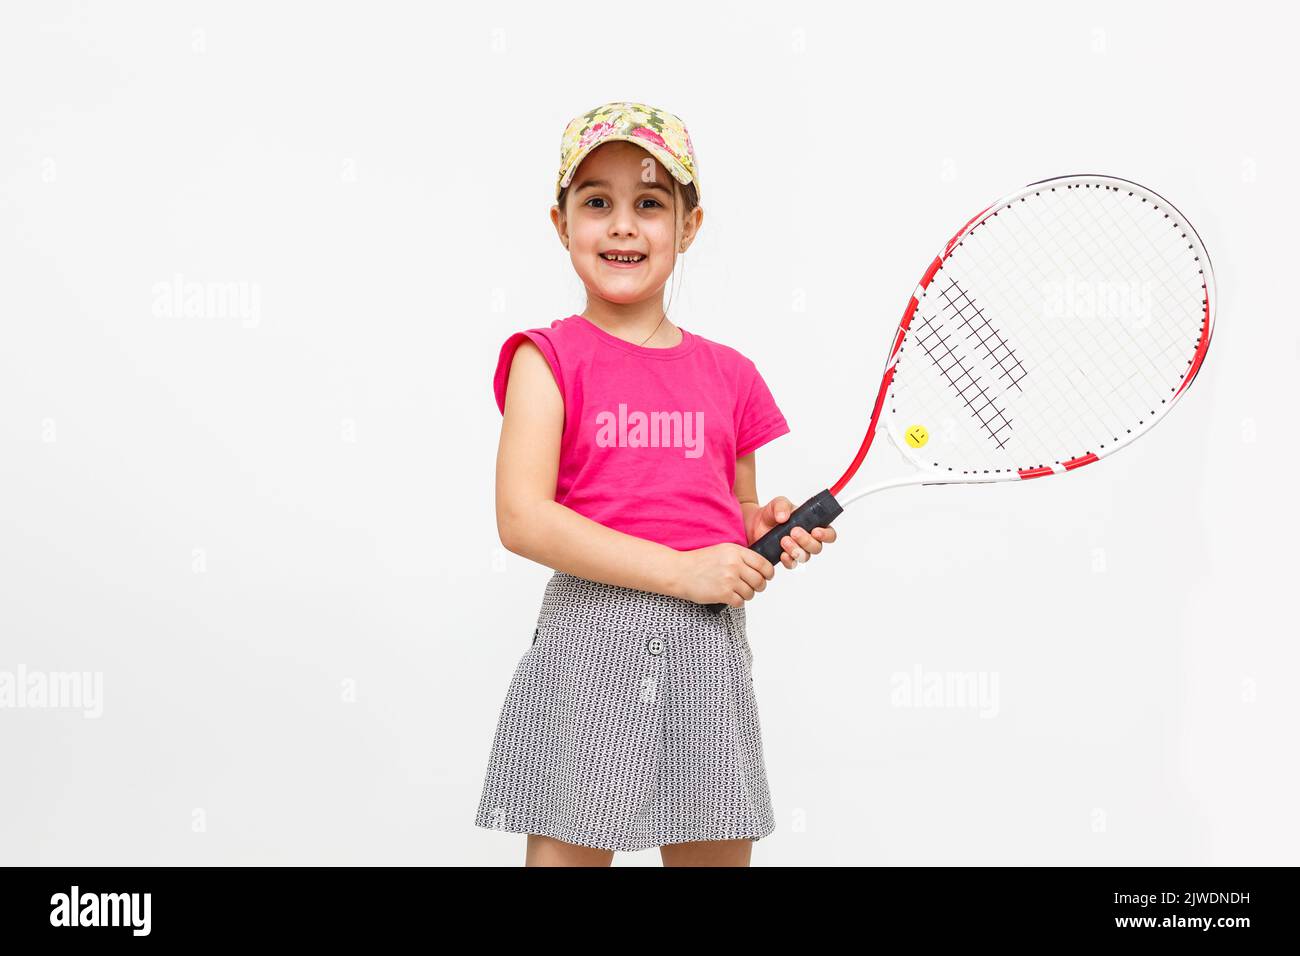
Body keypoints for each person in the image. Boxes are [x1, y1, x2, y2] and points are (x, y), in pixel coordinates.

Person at [473, 101, 836, 867]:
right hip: (590, 640)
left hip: (705, 645)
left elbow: (727, 514)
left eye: (649, 204)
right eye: (596, 203)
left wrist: (763, 525)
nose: (623, 226)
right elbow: (521, 518)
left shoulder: (730, 376)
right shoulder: (547, 359)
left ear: (690, 226)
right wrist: (681, 571)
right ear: (560, 221)